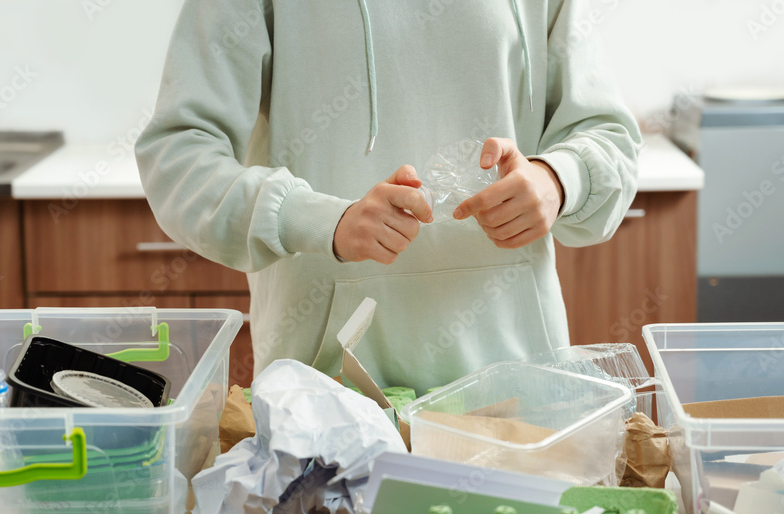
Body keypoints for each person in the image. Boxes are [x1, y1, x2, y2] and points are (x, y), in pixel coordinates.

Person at [136, 0, 641, 395]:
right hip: (328, 390)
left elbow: (609, 135)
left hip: (515, 381)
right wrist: (317, 219)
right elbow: (177, 154)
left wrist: (556, 179)